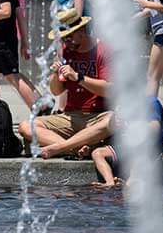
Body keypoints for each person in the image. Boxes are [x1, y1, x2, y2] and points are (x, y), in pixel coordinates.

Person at [18, 9, 112, 158]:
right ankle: (77, 148)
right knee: (25, 126)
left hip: (98, 116)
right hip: (70, 117)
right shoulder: (66, 51)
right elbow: (57, 91)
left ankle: (62, 147)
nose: (65, 42)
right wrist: (55, 74)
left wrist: (79, 77)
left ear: (82, 30)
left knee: (114, 120)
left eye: (69, 37)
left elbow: (109, 90)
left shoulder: (103, 50)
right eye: (63, 38)